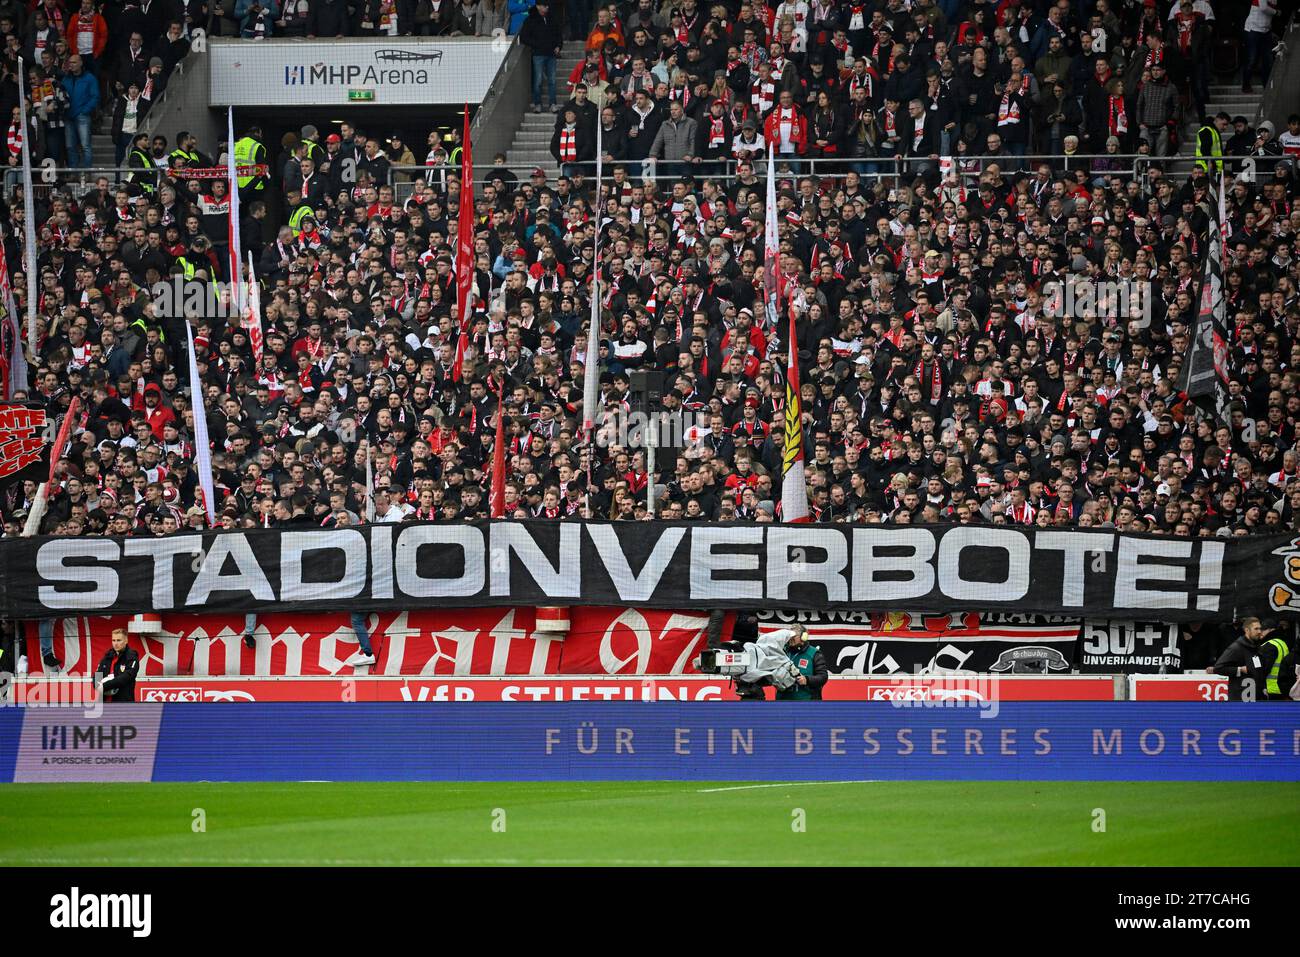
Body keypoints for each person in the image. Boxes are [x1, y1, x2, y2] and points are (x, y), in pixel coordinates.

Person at [1206, 617, 1279, 702]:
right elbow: (1219, 668)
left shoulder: (1257, 648)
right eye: (1256, 629)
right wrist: (1239, 669)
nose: (1259, 631)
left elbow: (1260, 671)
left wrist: (1263, 688)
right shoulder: (1236, 648)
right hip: (1240, 700)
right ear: (1247, 630)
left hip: (1256, 698)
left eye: (1260, 628)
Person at [520, 0, 562, 113]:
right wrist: (537, 45)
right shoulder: (530, 20)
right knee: (538, 80)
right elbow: (524, 36)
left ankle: (552, 104)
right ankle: (537, 104)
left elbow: (558, 33)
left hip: (551, 54)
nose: (546, 8)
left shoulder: (551, 18)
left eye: (547, 6)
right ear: (538, 6)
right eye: (544, 6)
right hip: (538, 54)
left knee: (552, 80)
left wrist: (558, 46)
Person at [775, 623, 828, 701]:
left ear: (803, 637)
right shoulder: (782, 651)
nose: (790, 638)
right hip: (783, 700)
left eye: (794, 636)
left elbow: (823, 677)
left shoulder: (814, 653)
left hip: (806, 701)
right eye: (789, 636)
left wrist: (807, 680)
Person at [95, 627, 140, 703]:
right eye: (113, 640)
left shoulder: (131, 657)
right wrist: (96, 684)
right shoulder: (107, 656)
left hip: (123, 704)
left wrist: (105, 686)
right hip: (104, 703)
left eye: (119, 640)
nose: (115, 643)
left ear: (126, 641)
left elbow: (127, 676)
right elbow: (97, 675)